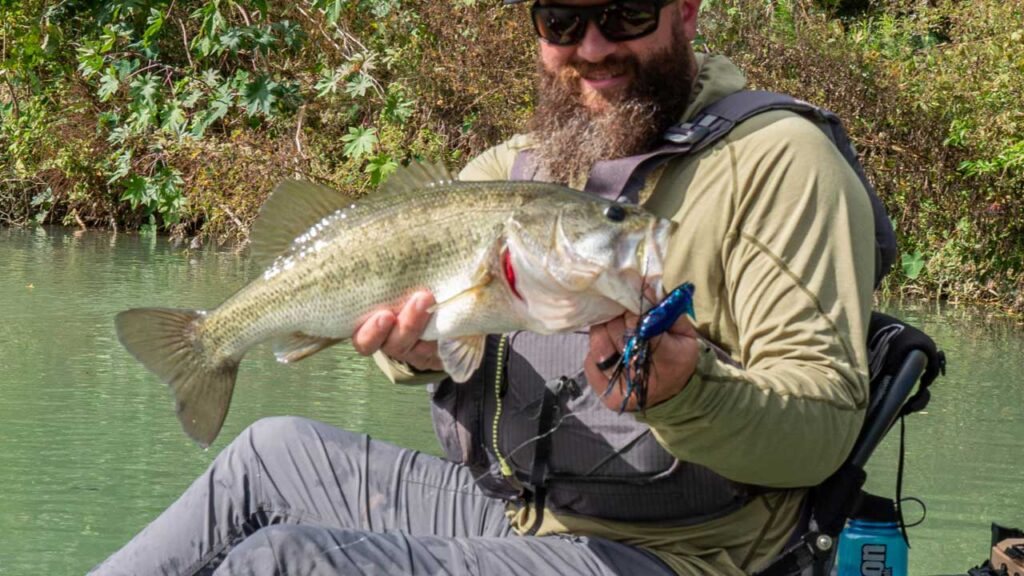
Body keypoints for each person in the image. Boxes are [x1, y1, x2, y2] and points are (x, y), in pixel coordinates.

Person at [89, 0, 879, 574]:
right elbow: (430, 330)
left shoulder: (781, 162)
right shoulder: (513, 173)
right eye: (562, 22)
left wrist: (684, 390)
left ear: (687, 12)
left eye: (626, 13)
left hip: (676, 555)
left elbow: (822, 432)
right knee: (267, 454)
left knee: (287, 562)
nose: (593, 45)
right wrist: (413, 353)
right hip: (521, 515)